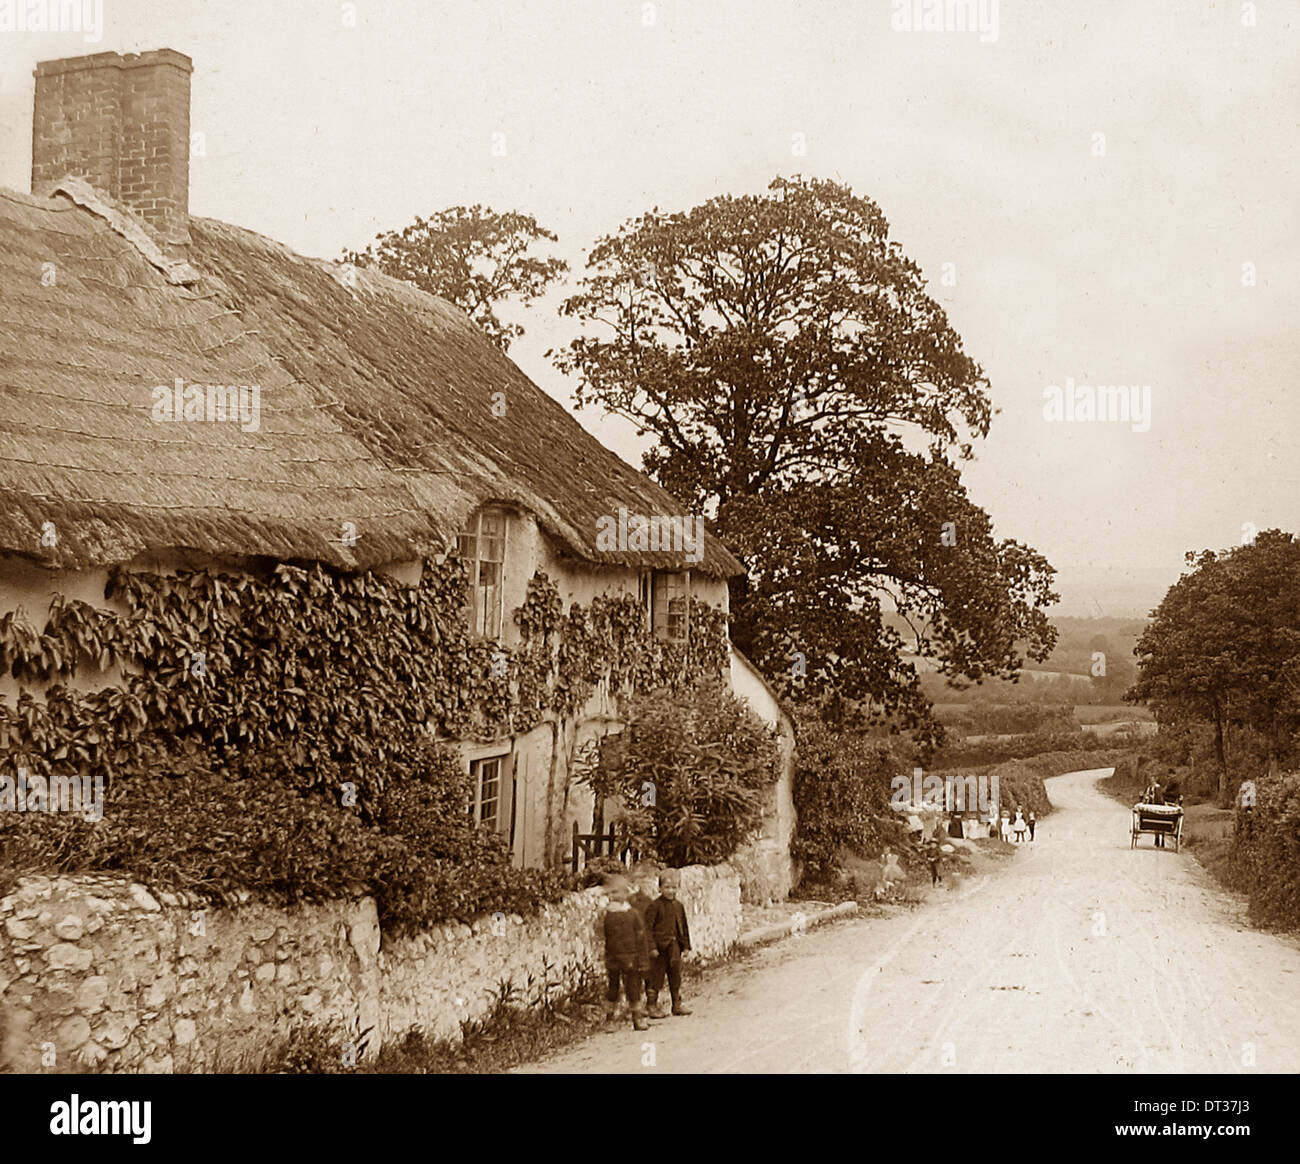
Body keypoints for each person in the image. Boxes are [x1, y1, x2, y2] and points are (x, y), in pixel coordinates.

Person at [602, 874, 651, 1030]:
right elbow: (604, 936)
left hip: (631, 958)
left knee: (633, 988)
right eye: (609, 893)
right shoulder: (607, 915)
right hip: (613, 958)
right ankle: (610, 1019)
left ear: (625, 893)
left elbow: (641, 938)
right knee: (613, 989)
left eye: (615, 892)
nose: (612, 896)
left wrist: (643, 960)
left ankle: (637, 1018)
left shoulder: (633, 914)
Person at [644, 868, 693, 1018]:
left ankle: (676, 1004)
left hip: (674, 947)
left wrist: (686, 946)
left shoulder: (679, 906)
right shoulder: (654, 906)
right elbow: (647, 929)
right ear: (659, 888)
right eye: (667, 887)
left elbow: (683, 926)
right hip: (659, 949)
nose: (670, 891)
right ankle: (651, 1006)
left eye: (674, 887)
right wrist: (651, 947)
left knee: (675, 975)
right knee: (656, 977)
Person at [628, 863, 658, 1007]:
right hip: (635, 945)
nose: (643, 883)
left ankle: (651, 1004)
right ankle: (637, 1008)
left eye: (646, 879)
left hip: (649, 944)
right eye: (639, 879)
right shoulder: (630, 902)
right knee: (636, 977)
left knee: (651, 975)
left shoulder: (651, 902)